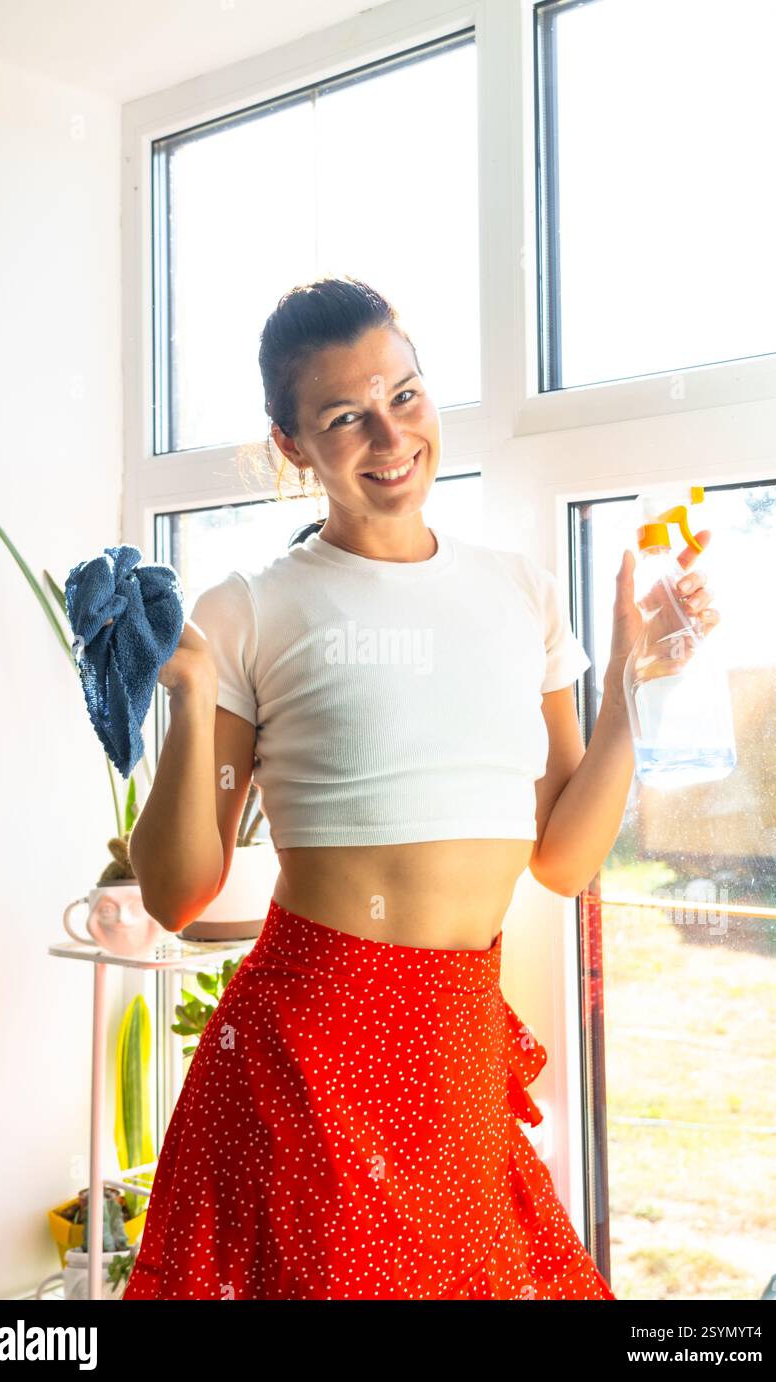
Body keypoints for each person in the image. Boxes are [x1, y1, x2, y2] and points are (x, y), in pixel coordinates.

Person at [121, 276, 718, 1301]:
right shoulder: (250, 609)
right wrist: (188, 692)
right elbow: (176, 890)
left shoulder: (521, 592)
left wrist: (626, 682)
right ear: (291, 446)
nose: (387, 434)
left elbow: (562, 856)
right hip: (311, 1058)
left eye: (404, 394)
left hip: (454, 1055)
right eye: (342, 415)